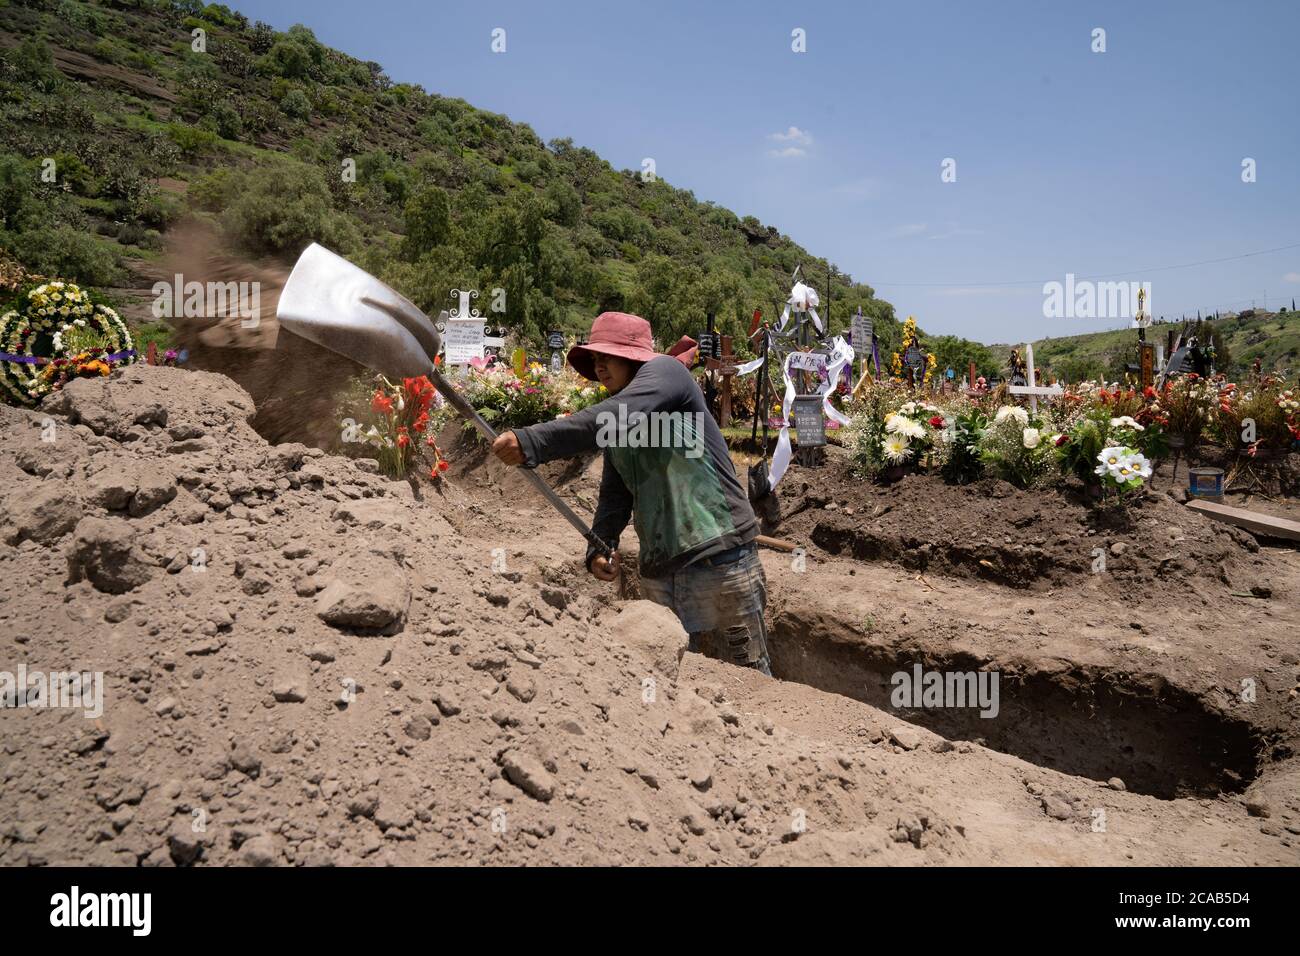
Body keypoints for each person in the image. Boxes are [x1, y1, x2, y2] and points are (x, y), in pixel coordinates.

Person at [490, 312, 772, 675]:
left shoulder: (668, 373)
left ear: (634, 355)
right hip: (660, 572)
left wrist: (532, 441)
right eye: (595, 358)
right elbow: (615, 494)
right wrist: (600, 544)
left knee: (748, 682)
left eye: (607, 356)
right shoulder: (623, 413)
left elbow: (612, 417)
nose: (599, 365)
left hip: (718, 560)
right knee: (676, 683)